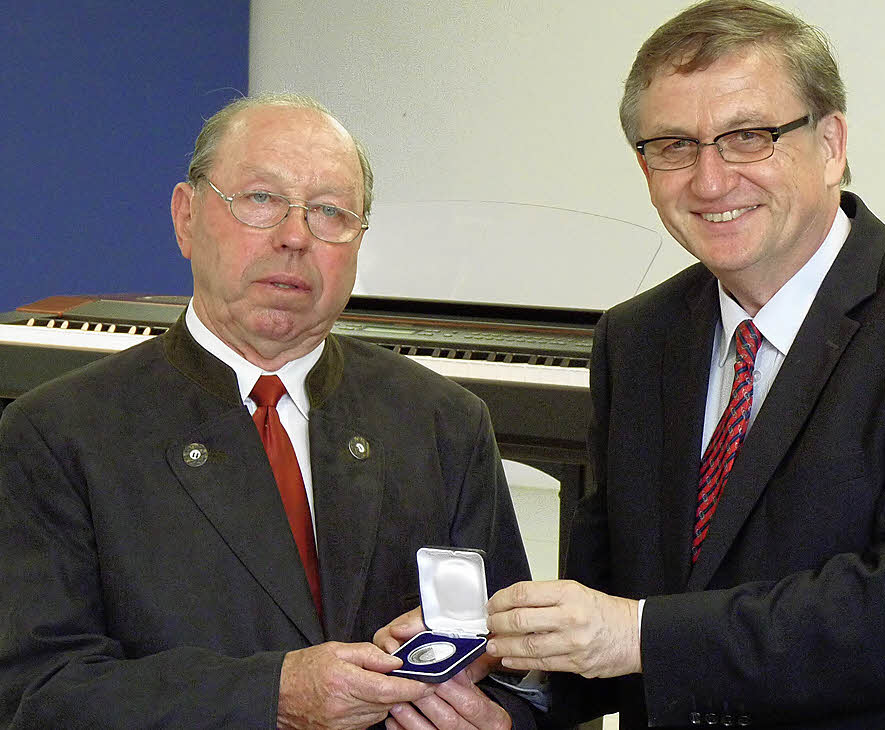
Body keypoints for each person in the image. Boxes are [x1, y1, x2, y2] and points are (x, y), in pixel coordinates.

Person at [485, 0, 885, 728]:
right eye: (674, 146)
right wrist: (504, 691)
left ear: (831, 143)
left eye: (748, 137)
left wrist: (638, 635)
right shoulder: (636, 339)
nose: (710, 181)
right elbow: (609, 600)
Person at [0, 93, 534, 729]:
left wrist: (498, 718)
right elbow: (37, 692)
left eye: (330, 212)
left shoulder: (443, 422)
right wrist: (272, 697)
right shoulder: (59, 434)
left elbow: (521, 672)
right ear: (186, 218)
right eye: (260, 199)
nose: (294, 237)